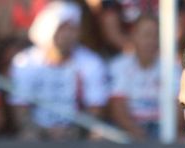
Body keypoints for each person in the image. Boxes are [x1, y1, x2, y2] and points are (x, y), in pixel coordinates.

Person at [9, 2, 110, 140]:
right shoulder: (25, 62)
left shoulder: (91, 63)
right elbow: (20, 109)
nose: (67, 35)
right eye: (62, 29)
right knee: (27, 137)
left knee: (99, 135)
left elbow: (95, 108)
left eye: (72, 29)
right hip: (39, 133)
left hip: (76, 133)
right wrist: (41, 130)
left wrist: (74, 131)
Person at [109, 15, 178, 141]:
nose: (151, 41)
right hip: (130, 132)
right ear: (134, 36)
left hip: (163, 130)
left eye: (156, 35)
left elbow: (178, 107)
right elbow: (118, 108)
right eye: (146, 35)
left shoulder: (172, 67)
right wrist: (139, 134)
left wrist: (165, 135)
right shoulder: (119, 66)